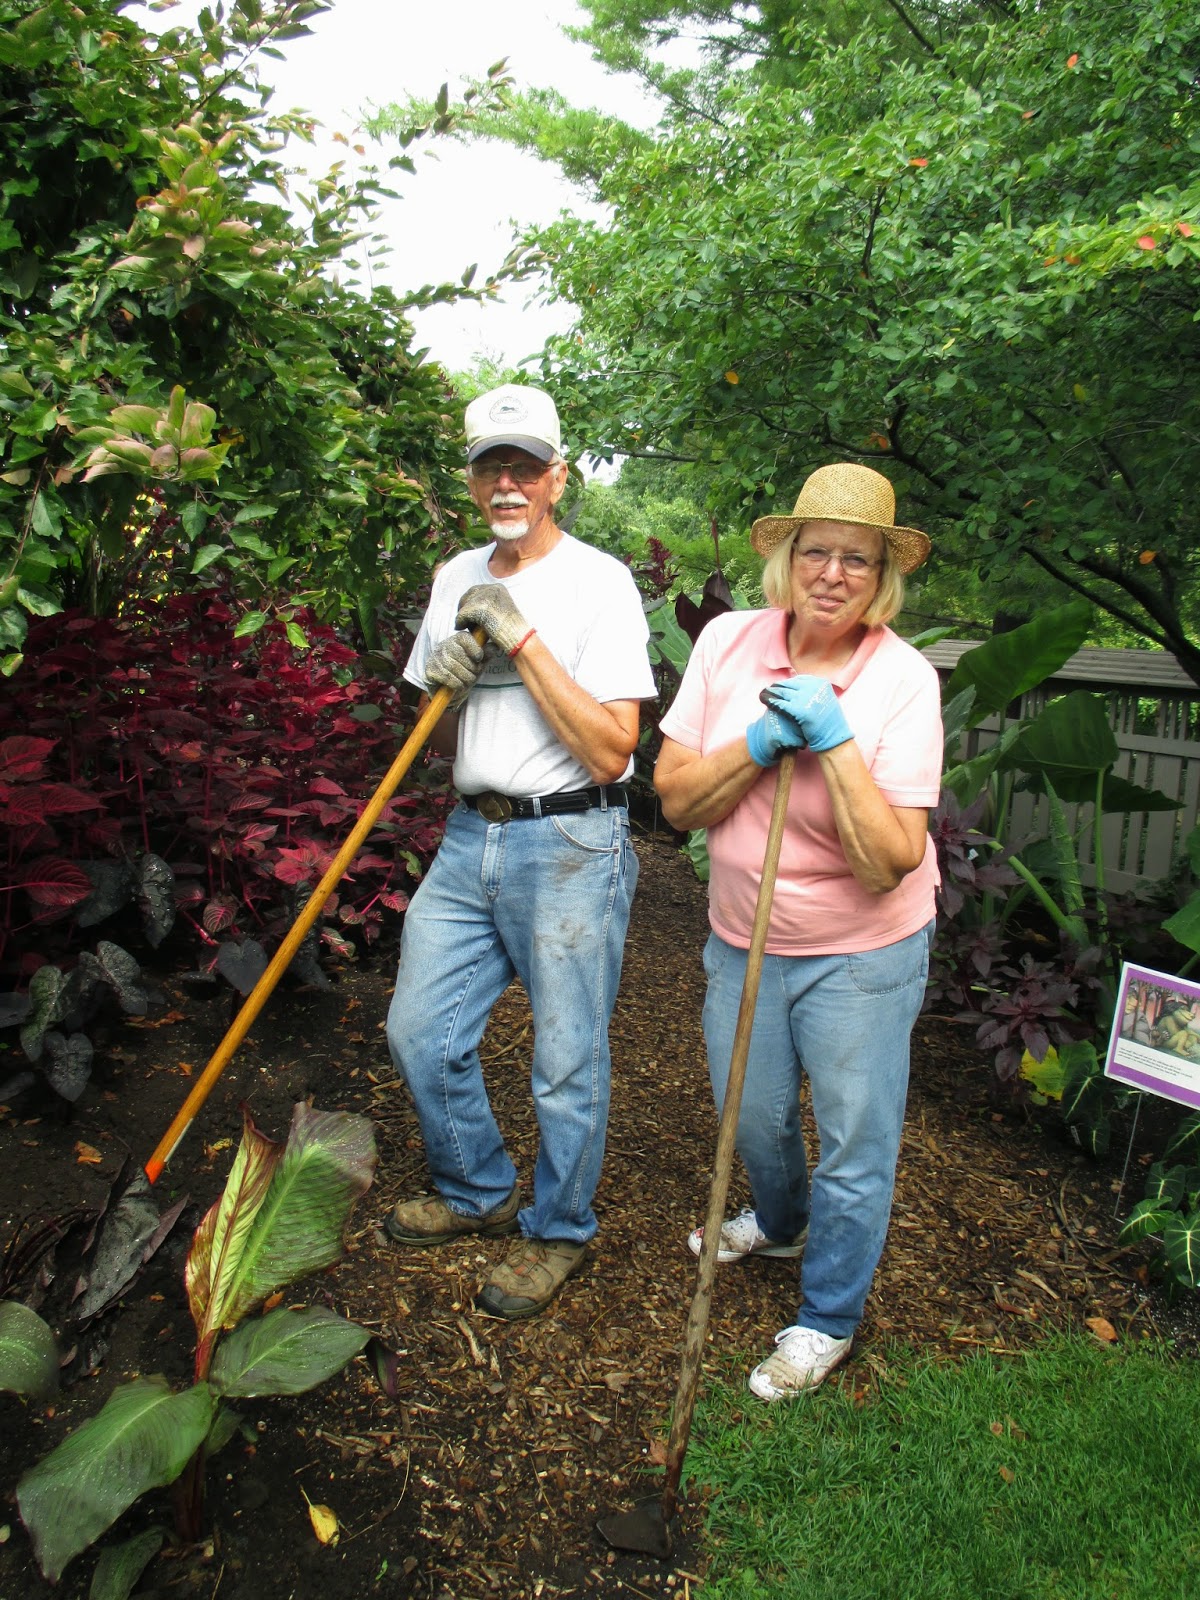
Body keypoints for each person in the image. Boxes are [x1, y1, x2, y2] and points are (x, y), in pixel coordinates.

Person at [654, 462, 942, 1399]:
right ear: (784, 558)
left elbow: (889, 857)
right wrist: (755, 745)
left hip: (861, 953)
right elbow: (673, 802)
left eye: (856, 559)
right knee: (758, 1113)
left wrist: (833, 739)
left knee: (855, 1138)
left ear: (881, 577)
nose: (832, 572)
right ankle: (779, 1222)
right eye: (814, 549)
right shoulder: (729, 646)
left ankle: (828, 1318)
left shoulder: (901, 680)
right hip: (743, 937)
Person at [383, 383, 656, 1320]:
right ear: (472, 481)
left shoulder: (600, 582)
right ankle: (478, 1190)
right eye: (491, 465)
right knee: (419, 1030)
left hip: (572, 838)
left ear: (557, 478)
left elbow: (616, 746)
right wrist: (447, 680)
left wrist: (519, 635)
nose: (508, 481)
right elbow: (431, 703)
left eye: (526, 465)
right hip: (470, 839)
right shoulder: (454, 569)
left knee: (567, 1058)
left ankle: (559, 1231)